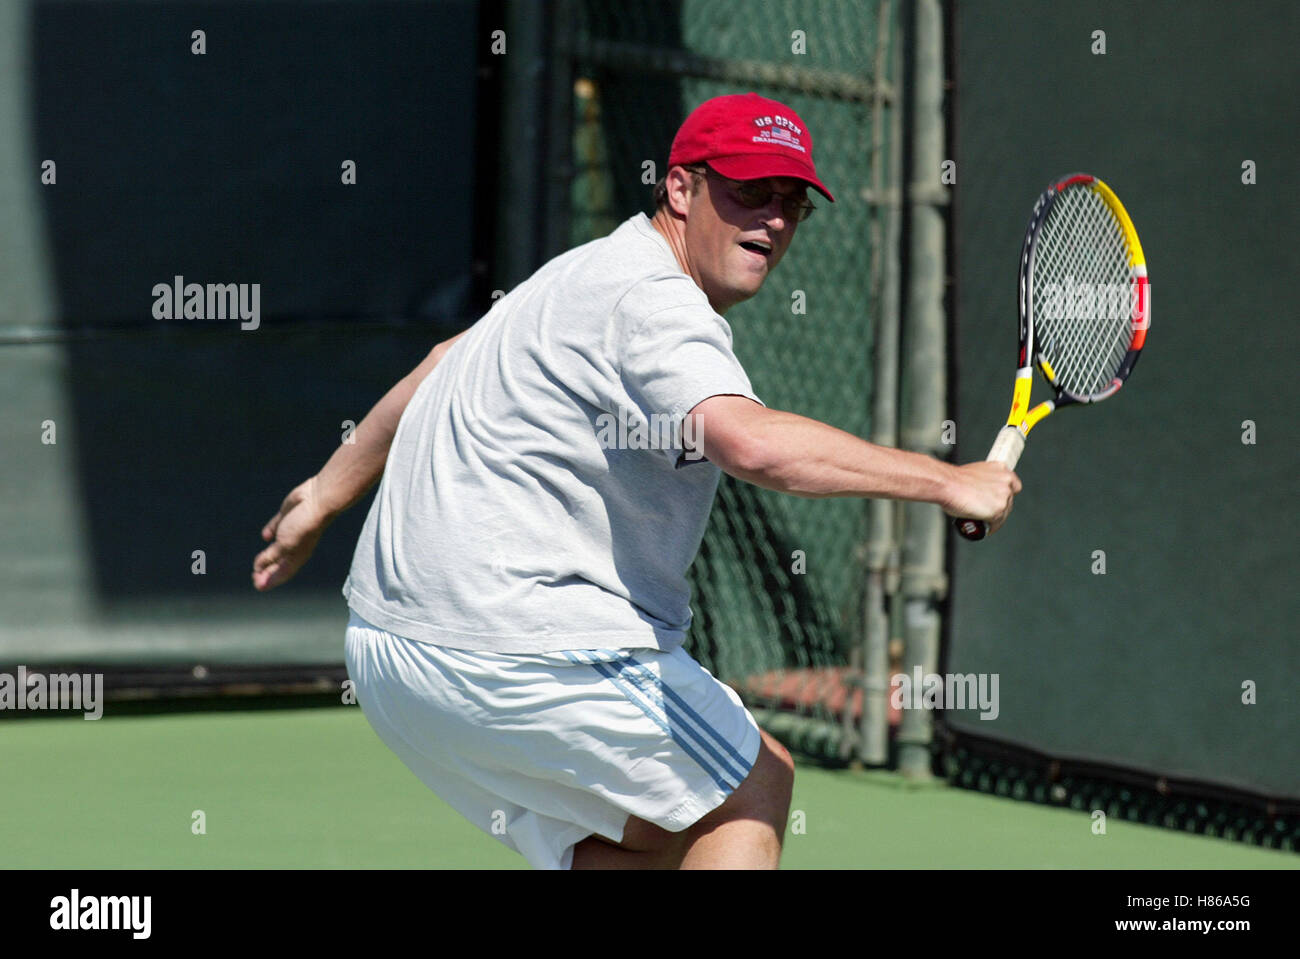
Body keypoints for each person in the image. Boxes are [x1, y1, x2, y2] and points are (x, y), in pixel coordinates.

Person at [252, 93, 1019, 870]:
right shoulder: (652, 297)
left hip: (392, 658)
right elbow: (751, 446)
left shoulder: (580, 273)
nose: (774, 219)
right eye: (749, 191)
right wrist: (950, 482)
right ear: (680, 189)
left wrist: (320, 497)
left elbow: (443, 360)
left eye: (792, 203)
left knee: (632, 841)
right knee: (753, 782)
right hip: (517, 641)